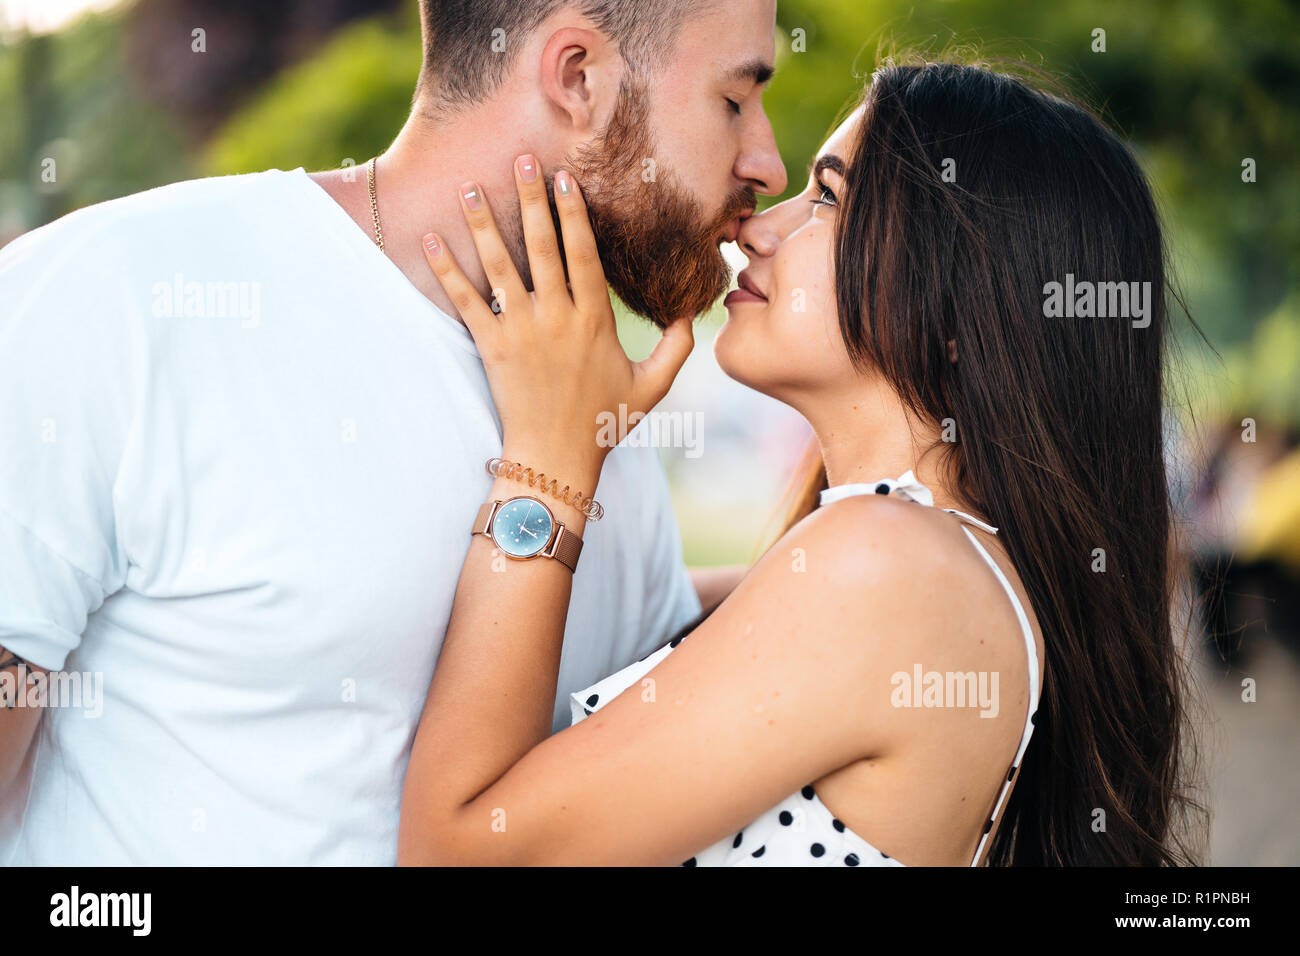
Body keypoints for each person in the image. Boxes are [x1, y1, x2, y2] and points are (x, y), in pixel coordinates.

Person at [0, 0, 784, 865]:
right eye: (734, 100)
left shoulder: (585, 396)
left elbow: (647, 656)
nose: (768, 163)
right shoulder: (106, 303)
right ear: (578, 78)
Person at [397, 60, 1203, 866]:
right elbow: (641, 618)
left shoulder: (885, 569)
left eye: (828, 198)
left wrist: (549, 461)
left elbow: (459, 850)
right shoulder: (913, 563)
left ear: (964, 300)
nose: (759, 227)